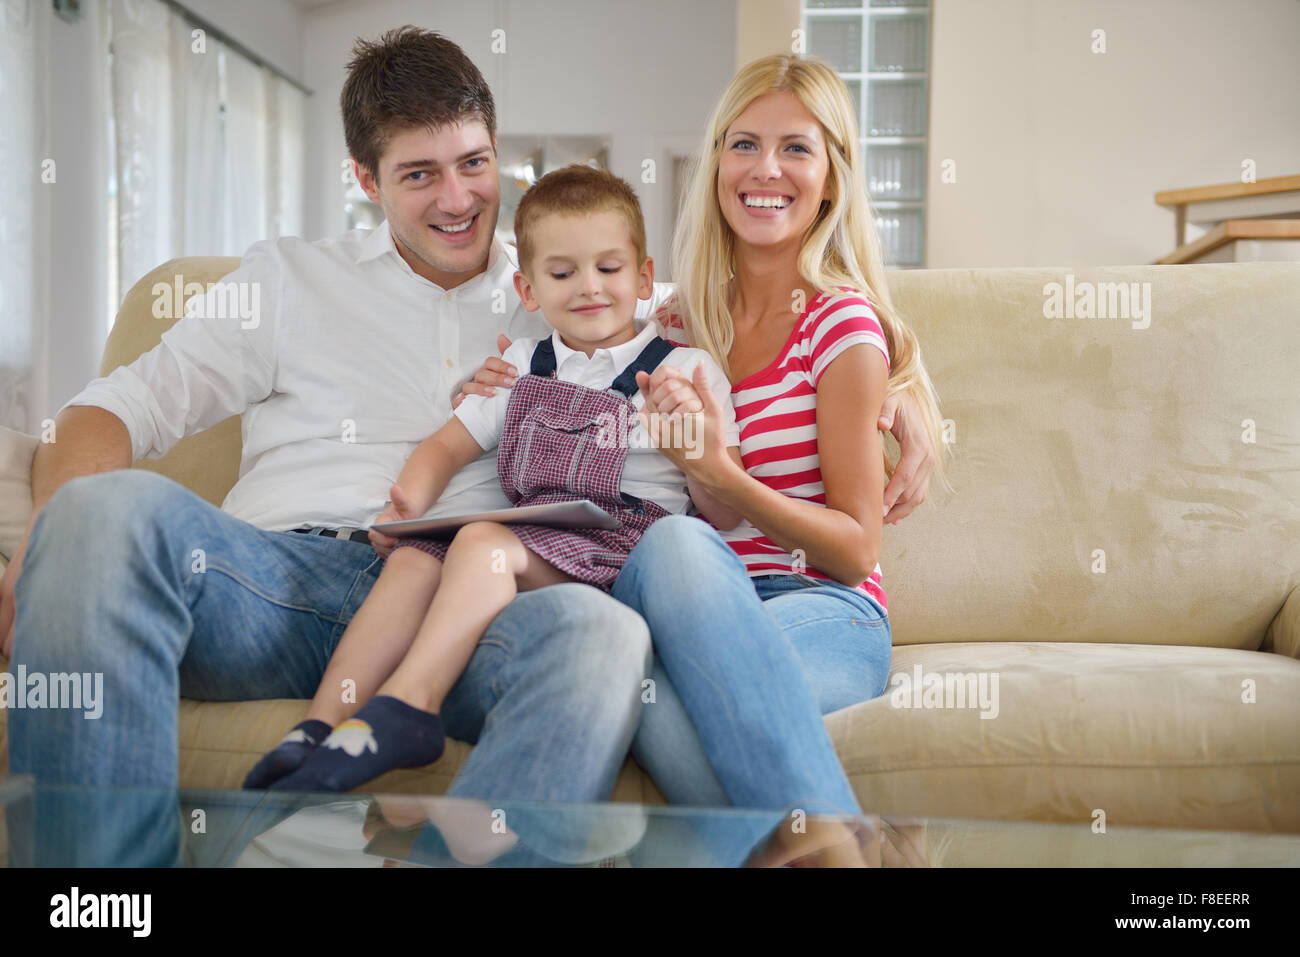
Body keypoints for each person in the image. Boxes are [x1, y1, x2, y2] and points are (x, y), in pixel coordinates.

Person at [0, 27, 937, 864]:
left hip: (477, 605)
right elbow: (110, 410)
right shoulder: (285, 280)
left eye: (475, 164)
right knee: (95, 512)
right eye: (418, 174)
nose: (458, 200)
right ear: (366, 180)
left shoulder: (568, 277)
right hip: (282, 581)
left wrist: (907, 390)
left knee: (606, 634)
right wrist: (49, 531)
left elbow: (762, 331)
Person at [462, 53, 948, 866]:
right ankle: (844, 841)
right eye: (745, 144)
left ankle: (830, 844)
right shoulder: (677, 318)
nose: (766, 169)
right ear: (718, 161)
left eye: (797, 148)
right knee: (652, 605)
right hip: (682, 604)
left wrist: (726, 478)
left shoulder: (840, 327)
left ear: (832, 177)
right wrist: (502, 375)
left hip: (818, 605)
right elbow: (577, 307)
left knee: (673, 603)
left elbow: (856, 547)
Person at [245, 165, 741, 794]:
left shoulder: (685, 370)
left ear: (644, 277)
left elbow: (724, 516)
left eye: (609, 270)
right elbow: (446, 447)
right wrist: (407, 504)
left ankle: (408, 706)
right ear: (528, 290)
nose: (589, 288)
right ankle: (318, 727)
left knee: (479, 541)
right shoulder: (518, 367)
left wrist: (695, 442)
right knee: (417, 557)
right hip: (533, 539)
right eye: (562, 274)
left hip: (627, 549)